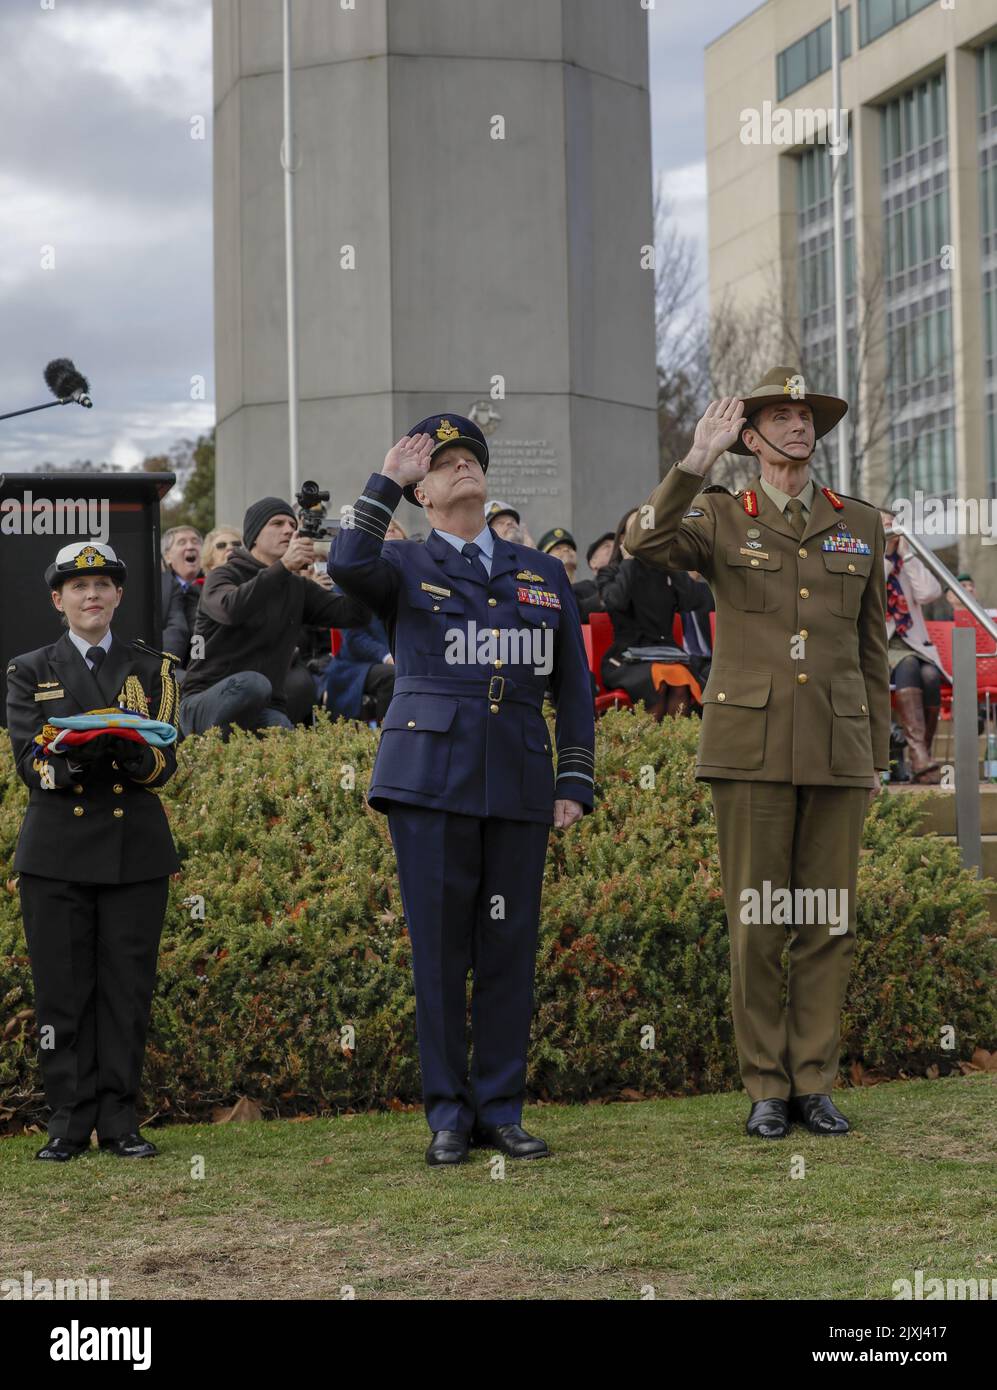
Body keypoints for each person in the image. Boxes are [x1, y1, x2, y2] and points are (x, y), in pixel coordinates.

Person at [626, 367, 890, 1140]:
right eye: (780, 414)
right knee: (758, 918)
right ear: (751, 438)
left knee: (825, 918)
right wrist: (694, 460)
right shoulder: (717, 515)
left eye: (806, 415)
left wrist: (874, 752)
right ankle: (765, 1085)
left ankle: (813, 1082)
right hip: (749, 745)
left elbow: (871, 648)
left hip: (838, 746)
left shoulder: (858, 523)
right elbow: (643, 537)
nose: (799, 425)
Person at [328, 414, 595, 1166]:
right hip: (429, 779)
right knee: (440, 953)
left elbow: (573, 685)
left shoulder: (537, 570)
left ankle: (501, 1109)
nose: (459, 468)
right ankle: (447, 1114)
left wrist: (573, 775)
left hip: (517, 773)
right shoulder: (401, 562)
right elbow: (346, 564)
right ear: (421, 492)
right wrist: (383, 479)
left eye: (467, 458)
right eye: (440, 464)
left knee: (509, 947)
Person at [5, 541, 181, 1162]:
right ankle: (67, 1121)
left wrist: (134, 754)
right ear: (59, 601)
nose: (93, 595)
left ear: (119, 596)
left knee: (126, 990)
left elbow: (164, 762)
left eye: (104, 585)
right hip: (57, 853)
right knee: (62, 992)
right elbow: (31, 765)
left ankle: (121, 1118)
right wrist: (75, 758)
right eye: (79, 588)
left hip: (134, 850)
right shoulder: (29, 669)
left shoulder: (152, 667)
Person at [179, 498, 369, 737]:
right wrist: (284, 566)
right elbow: (231, 609)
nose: (289, 529)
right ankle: (208, 746)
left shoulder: (297, 587)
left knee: (287, 751)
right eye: (277, 523)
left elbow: (355, 615)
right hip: (204, 701)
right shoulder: (223, 575)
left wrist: (350, 563)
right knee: (254, 684)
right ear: (255, 535)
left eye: (292, 524)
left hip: (263, 707)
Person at [598, 508, 702, 718]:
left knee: (680, 680)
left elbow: (692, 601)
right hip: (625, 658)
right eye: (637, 530)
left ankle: (674, 743)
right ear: (623, 538)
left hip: (666, 653)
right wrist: (628, 561)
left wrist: (667, 559)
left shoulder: (664, 572)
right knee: (660, 681)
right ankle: (648, 744)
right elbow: (615, 601)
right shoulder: (611, 572)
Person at [881, 512, 950, 783]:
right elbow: (871, 588)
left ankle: (923, 753)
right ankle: (919, 756)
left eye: (893, 524)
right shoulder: (870, 561)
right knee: (908, 664)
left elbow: (929, 593)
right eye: (884, 525)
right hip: (882, 645)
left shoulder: (907, 563)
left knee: (931, 676)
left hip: (914, 643)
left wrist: (907, 554)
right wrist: (886, 554)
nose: (890, 529)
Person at [160, 526, 204, 666]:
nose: (190, 546)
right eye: (182, 542)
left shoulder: (213, 586)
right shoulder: (157, 588)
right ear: (167, 556)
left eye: (195, 541)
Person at [572, 532, 615, 621]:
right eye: (606, 546)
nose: (615, 548)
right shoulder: (579, 589)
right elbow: (572, 616)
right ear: (593, 562)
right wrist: (603, 598)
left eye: (618, 545)